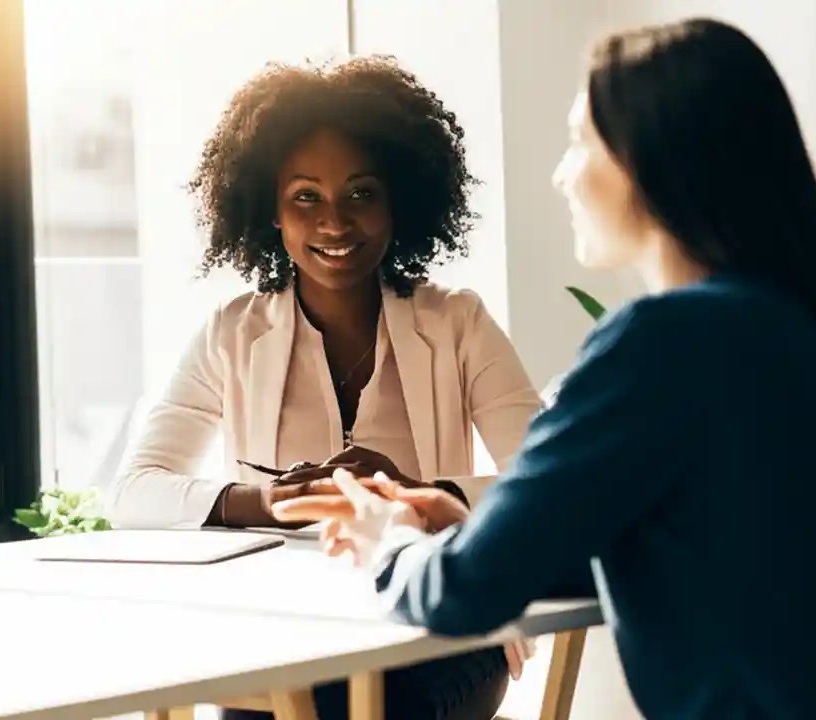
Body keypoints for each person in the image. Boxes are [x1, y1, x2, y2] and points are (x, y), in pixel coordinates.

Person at [274, 18, 816, 720]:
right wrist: (464, 524)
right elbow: (706, 550)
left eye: (580, 141)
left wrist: (386, 540)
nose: (562, 174)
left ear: (650, 156)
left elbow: (465, 593)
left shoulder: (664, 344)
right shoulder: (815, 323)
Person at [104, 57, 543, 719]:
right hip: (282, 637)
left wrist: (417, 498)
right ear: (269, 212)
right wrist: (269, 501)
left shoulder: (459, 324)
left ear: (399, 201)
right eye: (305, 197)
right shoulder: (231, 335)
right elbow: (134, 492)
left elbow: (542, 479)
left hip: (433, 635)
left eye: (361, 193)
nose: (335, 223)